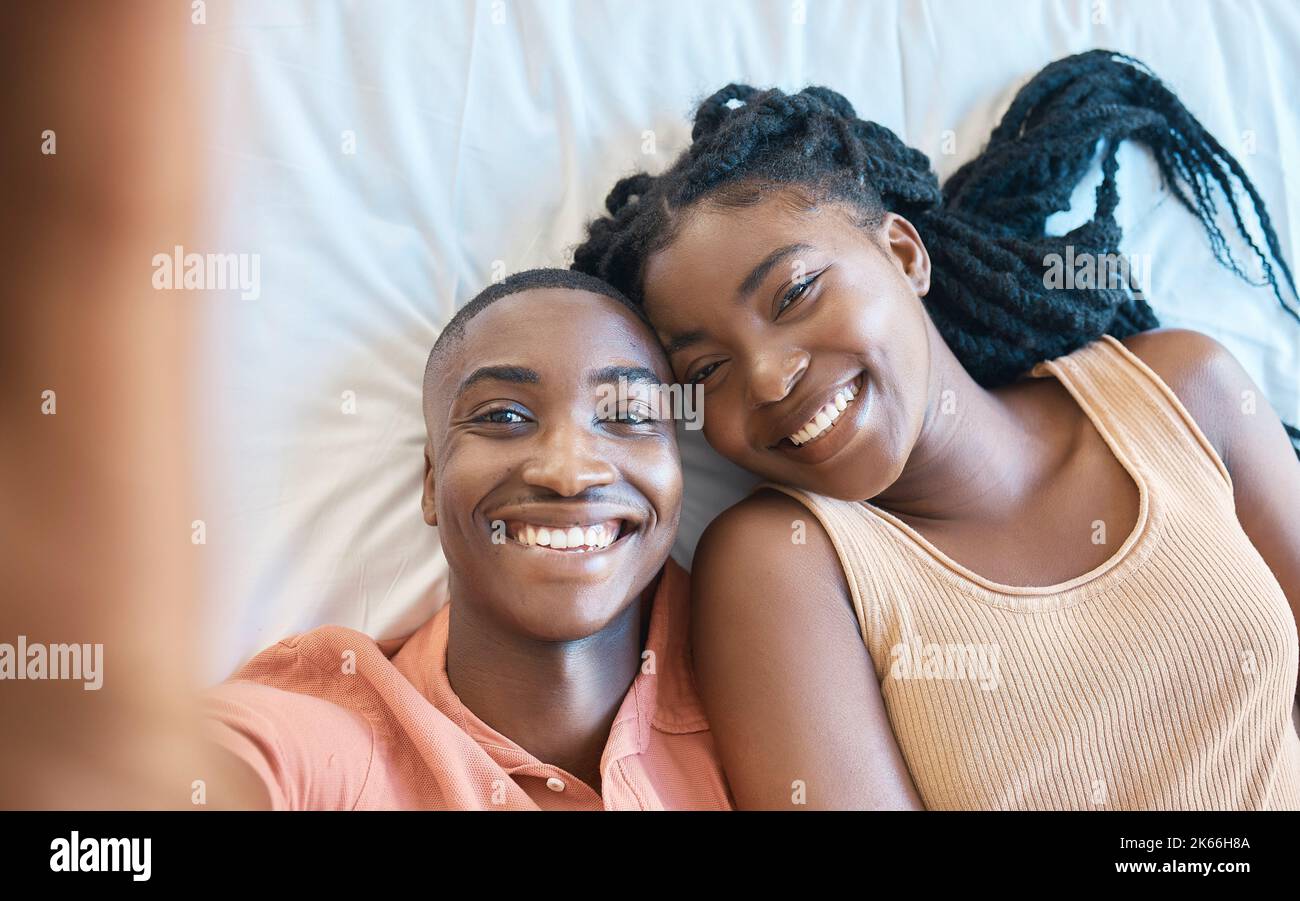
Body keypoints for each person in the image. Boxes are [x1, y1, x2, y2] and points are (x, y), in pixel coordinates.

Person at [571, 50, 1300, 809]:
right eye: (707, 372)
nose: (767, 377)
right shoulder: (783, 564)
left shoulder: (1187, 391)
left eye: (794, 294)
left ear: (902, 252)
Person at [201, 269, 734, 810]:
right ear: (431, 485)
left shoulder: (766, 668)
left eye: (627, 414)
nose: (569, 473)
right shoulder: (325, 743)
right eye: (504, 415)